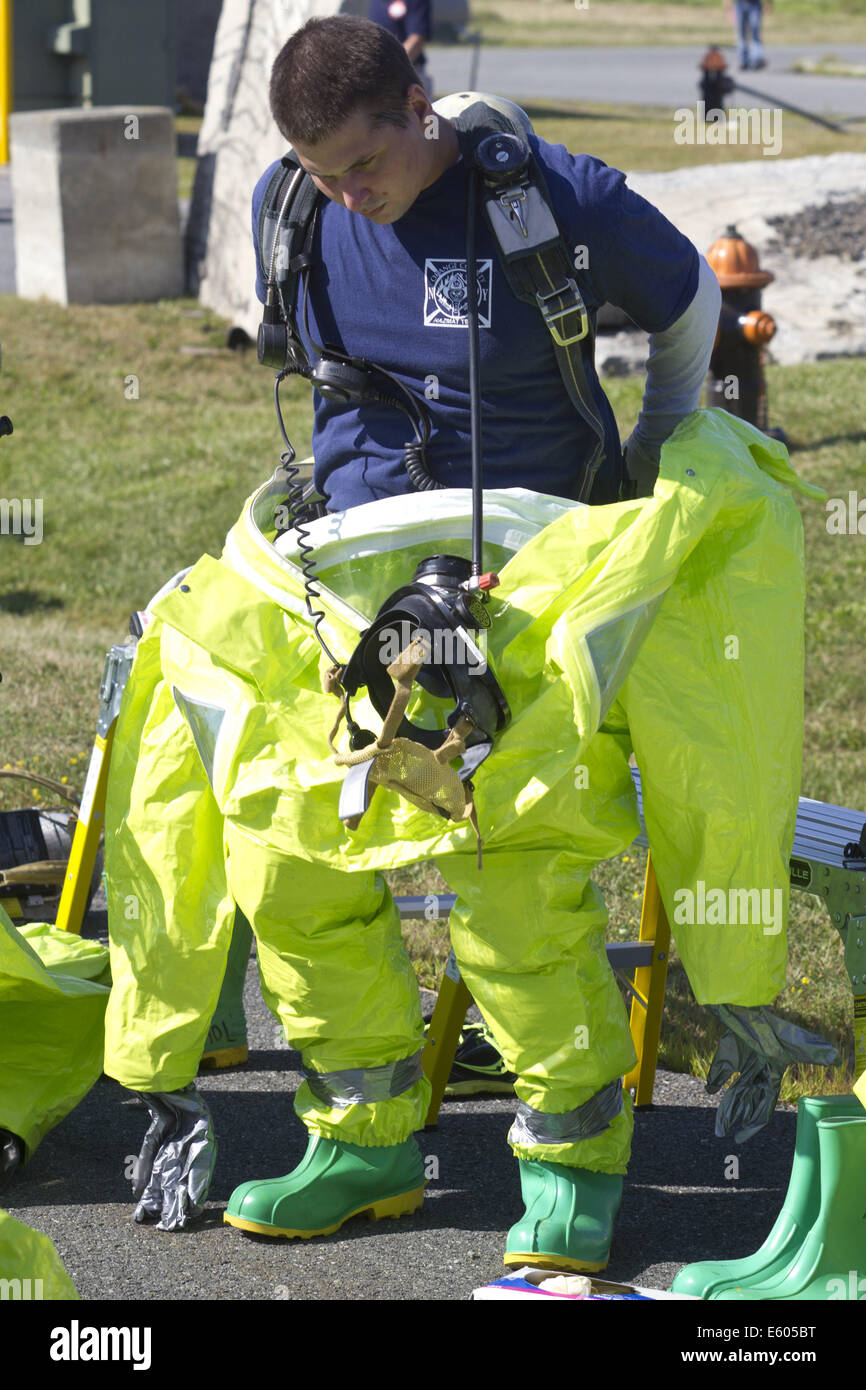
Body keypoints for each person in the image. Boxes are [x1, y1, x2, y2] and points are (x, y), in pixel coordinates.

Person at [103, 15, 832, 1275]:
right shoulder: (299, 205)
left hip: (530, 577)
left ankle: (569, 1173)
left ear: (416, 104)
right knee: (288, 857)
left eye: (360, 167)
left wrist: (656, 448)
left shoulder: (547, 198)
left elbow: (688, 307)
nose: (344, 195)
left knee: (504, 881)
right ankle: (364, 1140)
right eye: (320, 173)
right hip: (346, 577)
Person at [368, 0, 434, 96]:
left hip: (408, 76)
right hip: (380, 78)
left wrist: (392, 68)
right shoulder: (377, 3)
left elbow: (417, 38)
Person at [726, 0, 771, 70]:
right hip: (740, 4)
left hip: (754, 4)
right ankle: (744, 60)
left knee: (755, 32)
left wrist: (769, 2)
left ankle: (756, 59)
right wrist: (729, 8)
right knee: (741, 34)